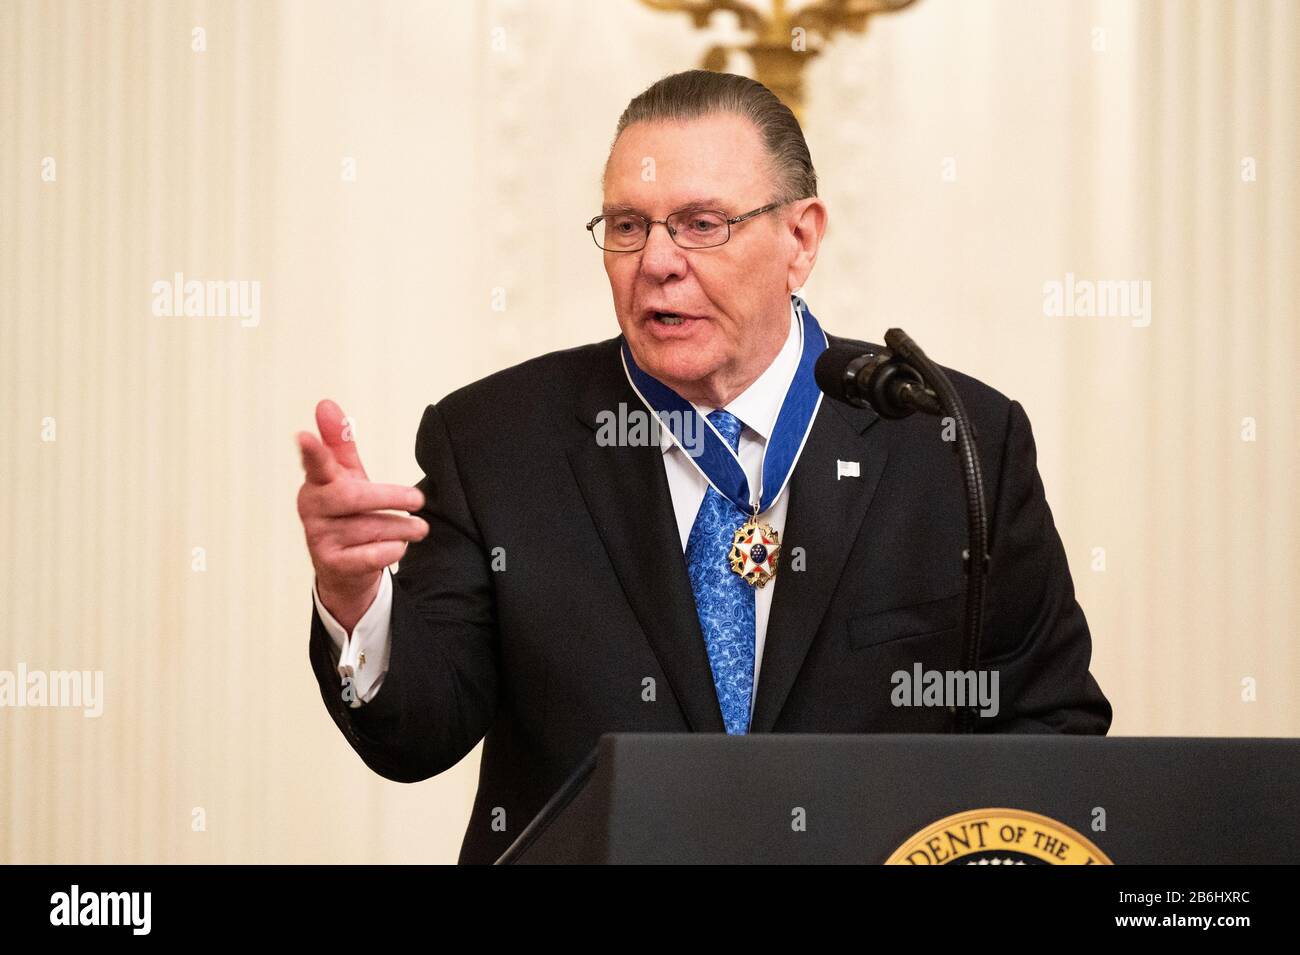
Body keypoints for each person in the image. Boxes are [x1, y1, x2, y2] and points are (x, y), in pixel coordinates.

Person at [295, 70, 1111, 865]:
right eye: (627, 225)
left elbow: (1046, 727)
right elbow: (418, 734)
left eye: (700, 223)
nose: (656, 260)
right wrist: (357, 599)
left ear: (801, 238)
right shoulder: (495, 442)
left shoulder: (947, 436)